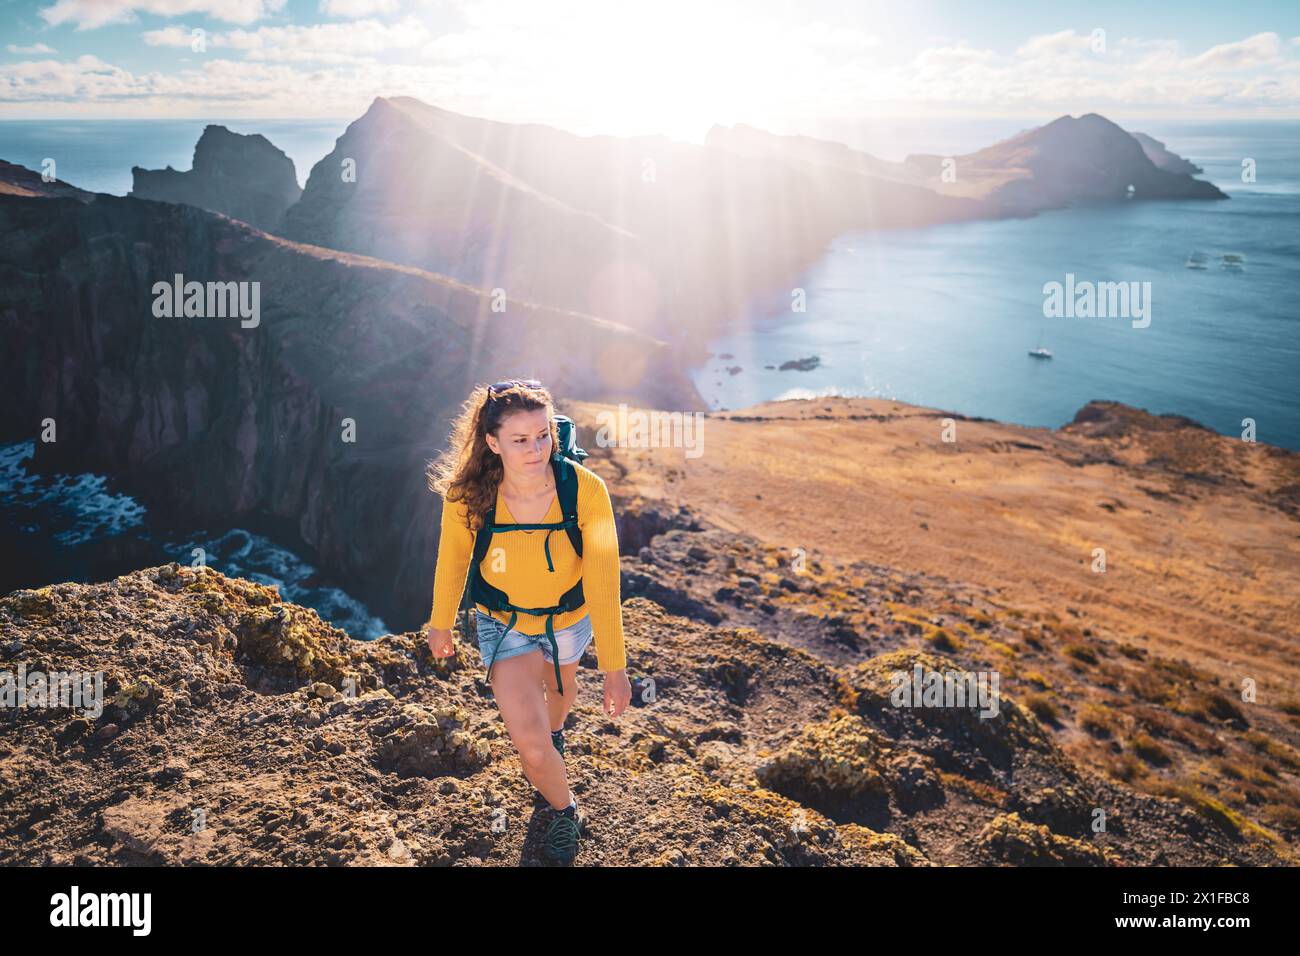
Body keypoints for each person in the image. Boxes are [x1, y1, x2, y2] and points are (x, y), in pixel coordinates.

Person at [422, 378, 632, 864]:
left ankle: (555, 736)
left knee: (559, 702)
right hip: (504, 625)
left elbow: (603, 580)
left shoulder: (584, 490)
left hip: (568, 623)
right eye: (520, 439)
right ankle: (564, 811)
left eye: (543, 436)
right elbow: (452, 561)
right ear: (492, 443)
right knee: (533, 749)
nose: (536, 449)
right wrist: (441, 623)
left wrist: (616, 668)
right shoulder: (469, 495)